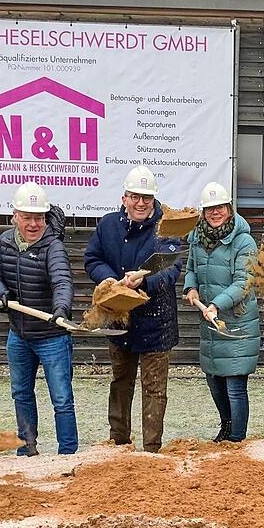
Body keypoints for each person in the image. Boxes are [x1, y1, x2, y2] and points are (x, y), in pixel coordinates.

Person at [84, 166, 183, 453]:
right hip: (119, 318)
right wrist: (109, 279)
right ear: (124, 198)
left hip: (157, 320)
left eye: (147, 198)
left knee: (154, 389)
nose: (141, 203)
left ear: (154, 200)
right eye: (135, 197)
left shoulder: (168, 228)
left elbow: (171, 267)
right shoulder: (107, 225)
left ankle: (151, 448)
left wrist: (143, 280)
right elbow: (92, 258)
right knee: (121, 382)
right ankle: (119, 442)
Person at [0, 182, 77, 456]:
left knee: (62, 399)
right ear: (15, 215)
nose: (33, 224)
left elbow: (62, 281)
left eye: (38, 218)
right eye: (27, 217)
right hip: (19, 334)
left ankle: (67, 453)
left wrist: (61, 309)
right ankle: (26, 449)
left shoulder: (53, 247)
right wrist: (2, 293)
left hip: (52, 336)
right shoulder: (5, 242)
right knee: (21, 394)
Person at [182, 182, 260, 442]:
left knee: (235, 386)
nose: (215, 213)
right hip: (211, 322)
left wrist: (216, 304)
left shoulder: (243, 240)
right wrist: (190, 287)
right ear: (203, 212)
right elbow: (191, 269)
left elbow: (244, 282)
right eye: (210, 208)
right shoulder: (196, 237)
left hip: (237, 320)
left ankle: (237, 439)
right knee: (214, 381)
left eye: (220, 207)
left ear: (229, 208)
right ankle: (226, 426)